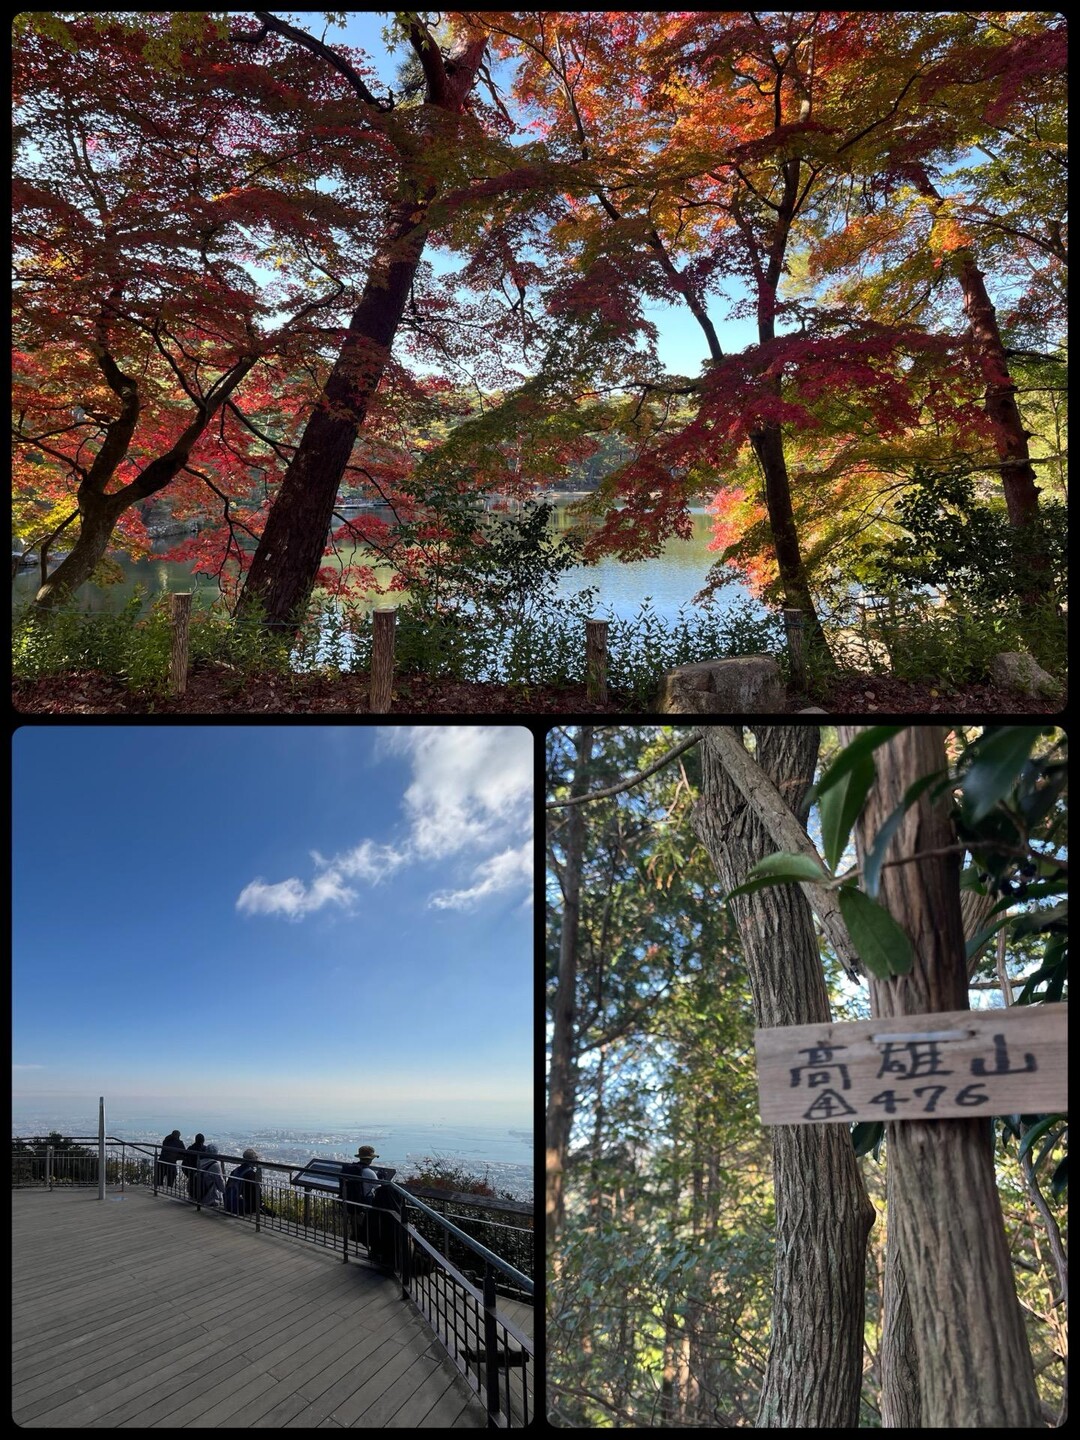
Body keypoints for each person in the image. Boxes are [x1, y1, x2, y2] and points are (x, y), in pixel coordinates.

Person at [340, 1145, 380, 1245]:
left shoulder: (350, 1169)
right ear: (370, 1159)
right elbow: (378, 1188)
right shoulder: (369, 1172)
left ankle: (352, 1248)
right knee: (365, 1230)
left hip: (350, 1204)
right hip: (364, 1206)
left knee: (355, 1229)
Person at [225, 1148, 262, 1216]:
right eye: (256, 1158)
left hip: (229, 1203)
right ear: (252, 1160)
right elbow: (255, 1193)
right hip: (243, 1206)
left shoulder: (235, 1171)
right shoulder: (250, 1174)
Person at [196, 1143, 226, 1207]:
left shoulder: (200, 1162)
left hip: (197, 1194)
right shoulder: (215, 1165)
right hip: (209, 1197)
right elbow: (221, 1183)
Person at [183, 1133, 207, 1199]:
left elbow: (184, 1162)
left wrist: (188, 1173)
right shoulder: (205, 1150)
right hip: (202, 1174)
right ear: (203, 1140)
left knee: (192, 1186)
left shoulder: (190, 1148)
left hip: (191, 1172)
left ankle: (193, 1198)